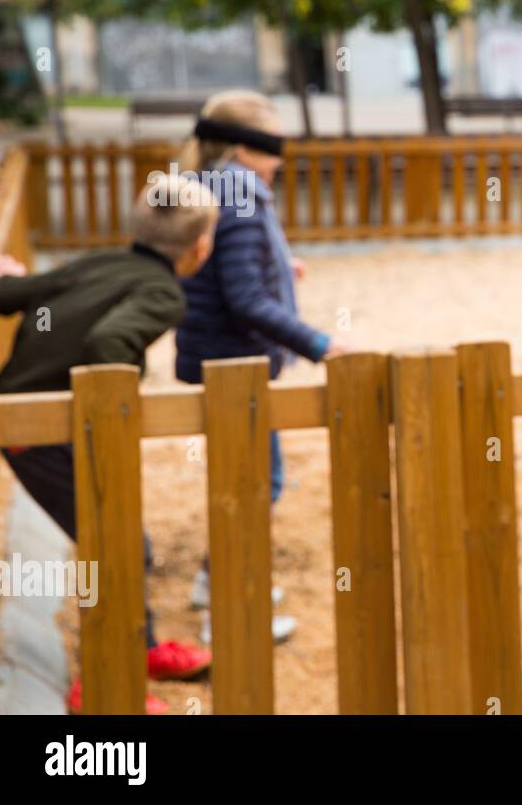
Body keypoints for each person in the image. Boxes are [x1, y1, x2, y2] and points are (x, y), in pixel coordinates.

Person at [0, 173, 219, 714]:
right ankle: (102, 677)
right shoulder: (164, 292)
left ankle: (137, 650)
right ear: (199, 249)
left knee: (119, 538)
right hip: (40, 433)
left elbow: (10, 297)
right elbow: (108, 340)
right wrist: (118, 412)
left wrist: (7, 277)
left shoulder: (99, 262)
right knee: (115, 545)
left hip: (29, 418)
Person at [172, 89, 348, 645]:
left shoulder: (218, 186)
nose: (280, 158)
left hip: (218, 356)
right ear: (248, 147)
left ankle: (211, 581)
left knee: (240, 477)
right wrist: (320, 343)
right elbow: (245, 299)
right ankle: (229, 607)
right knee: (253, 482)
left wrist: (278, 265)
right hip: (233, 364)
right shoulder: (240, 194)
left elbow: (227, 270)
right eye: (274, 146)